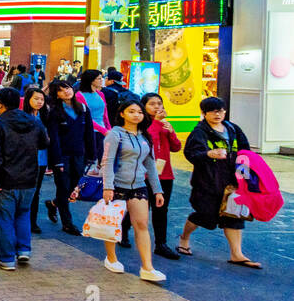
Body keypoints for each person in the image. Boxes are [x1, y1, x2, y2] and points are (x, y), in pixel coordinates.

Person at [178, 97, 260, 267]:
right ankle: (184, 238)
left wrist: (245, 178)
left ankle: (237, 254)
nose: (218, 114)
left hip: (232, 181)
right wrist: (209, 154)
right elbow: (191, 154)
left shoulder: (233, 129)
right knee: (204, 214)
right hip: (208, 182)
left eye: (221, 110)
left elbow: (245, 152)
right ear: (204, 113)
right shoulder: (199, 133)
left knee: (234, 216)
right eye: (213, 111)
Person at [98, 98, 165, 281]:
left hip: (139, 186)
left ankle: (147, 268)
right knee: (114, 223)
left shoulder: (145, 136)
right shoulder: (115, 134)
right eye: (132, 111)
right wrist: (108, 187)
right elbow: (108, 161)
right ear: (122, 114)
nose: (136, 115)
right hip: (117, 185)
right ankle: (111, 258)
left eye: (139, 112)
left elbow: (150, 165)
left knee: (142, 224)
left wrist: (157, 190)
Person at [0, 87, 48, 270]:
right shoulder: (33, 121)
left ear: (1, 105)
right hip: (29, 177)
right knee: (23, 214)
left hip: (6, 178)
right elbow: (44, 143)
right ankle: (24, 250)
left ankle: (6, 258)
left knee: (4, 217)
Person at [42, 77, 95, 235]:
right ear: (56, 95)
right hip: (62, 156)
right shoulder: (54, 112)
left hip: (79, 154)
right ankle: (67, 223)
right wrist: (56, 161)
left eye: (68, 88)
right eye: (61, 89)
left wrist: (92, 156)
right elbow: (54, 138)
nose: (66, 91)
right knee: (64, 187)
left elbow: (89, 133)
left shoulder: (83, 109)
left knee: (73, 186)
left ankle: (53, 204)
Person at [144, 92, 182, 260]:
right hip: (144, 174)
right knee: (139, 208)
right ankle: (123, 231)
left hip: (165, 174)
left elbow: (176, 147)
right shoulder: (142, 123)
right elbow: (148, 140)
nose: (157, 107)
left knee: (161, 209)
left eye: (159, 103)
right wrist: (158, 123)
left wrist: (171, 131)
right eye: (152, 104)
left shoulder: (165, 124)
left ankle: (161, 243)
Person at [22, 87, 51, 234]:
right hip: (25, 160)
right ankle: (22, 219)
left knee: (36, 191)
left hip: (41, 160)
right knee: (24, 191)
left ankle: (32, 221)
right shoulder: (21, 117)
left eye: (41, 99)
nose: (39, 102)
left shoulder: (45, 116)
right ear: (28, 100)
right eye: (36, 99)